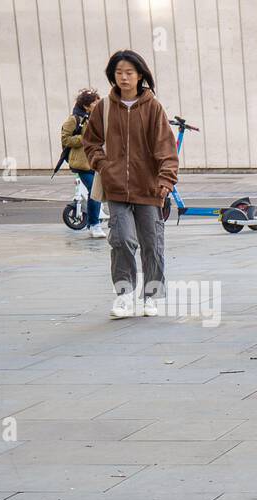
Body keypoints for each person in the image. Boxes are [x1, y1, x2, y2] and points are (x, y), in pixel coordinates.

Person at [82, 50, 178, 319]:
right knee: (121, 240)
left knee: (152, 243)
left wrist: (166, 179)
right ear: (112, 76)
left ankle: (151, 296)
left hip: (150, 187)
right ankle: (124, 295)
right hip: (116, 188)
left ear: (140, 75)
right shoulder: (104, 107)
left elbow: (166, 147)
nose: (123, 77)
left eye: (129, 72)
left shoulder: (152, 107)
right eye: (118, 72)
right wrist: (103, 165)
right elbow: (90, 142)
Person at [60, 88, 105, 238]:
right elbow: (65, 139)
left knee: (101, 190)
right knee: (95, 190)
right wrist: (83, 139)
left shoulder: (98, 117)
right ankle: (94, 224)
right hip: (83, 164)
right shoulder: (74, 119)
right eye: (95, 101)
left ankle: (101, 220)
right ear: (86, 106)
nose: (98, 103)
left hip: (98, 161)